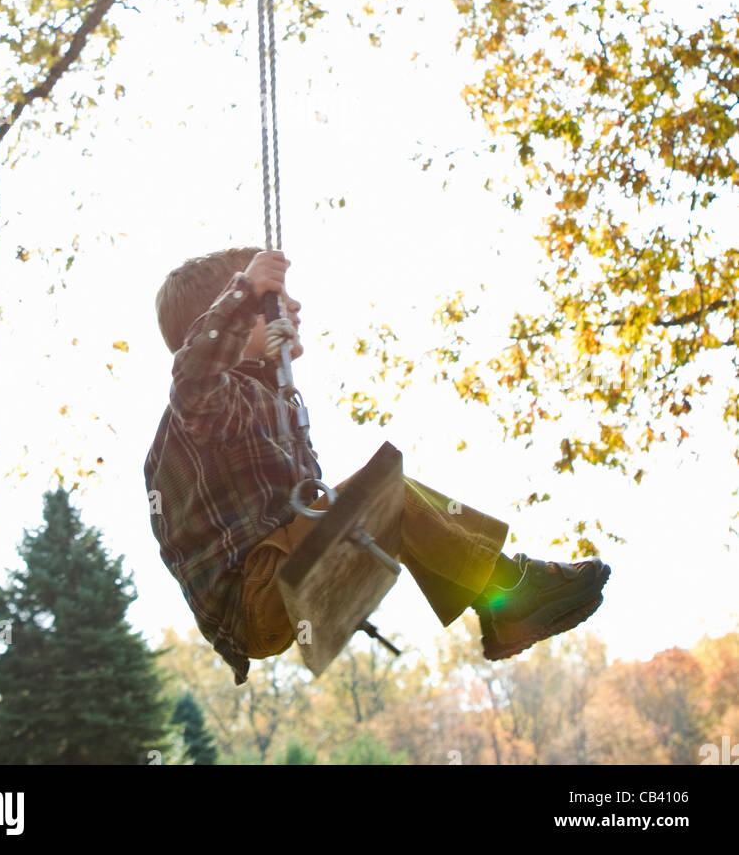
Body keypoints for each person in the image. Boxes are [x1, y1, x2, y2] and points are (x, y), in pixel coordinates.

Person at [144, 246, 609, 684]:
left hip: (280, 591)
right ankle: (513, 592)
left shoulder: (266, 400)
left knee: (391, 499)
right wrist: (245, 291)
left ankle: (502, 609)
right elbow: (194, 380)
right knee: (388, 494)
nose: (295, 308)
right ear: (225, 321)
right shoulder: (208, 406)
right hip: (258, 594)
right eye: (274, 303)